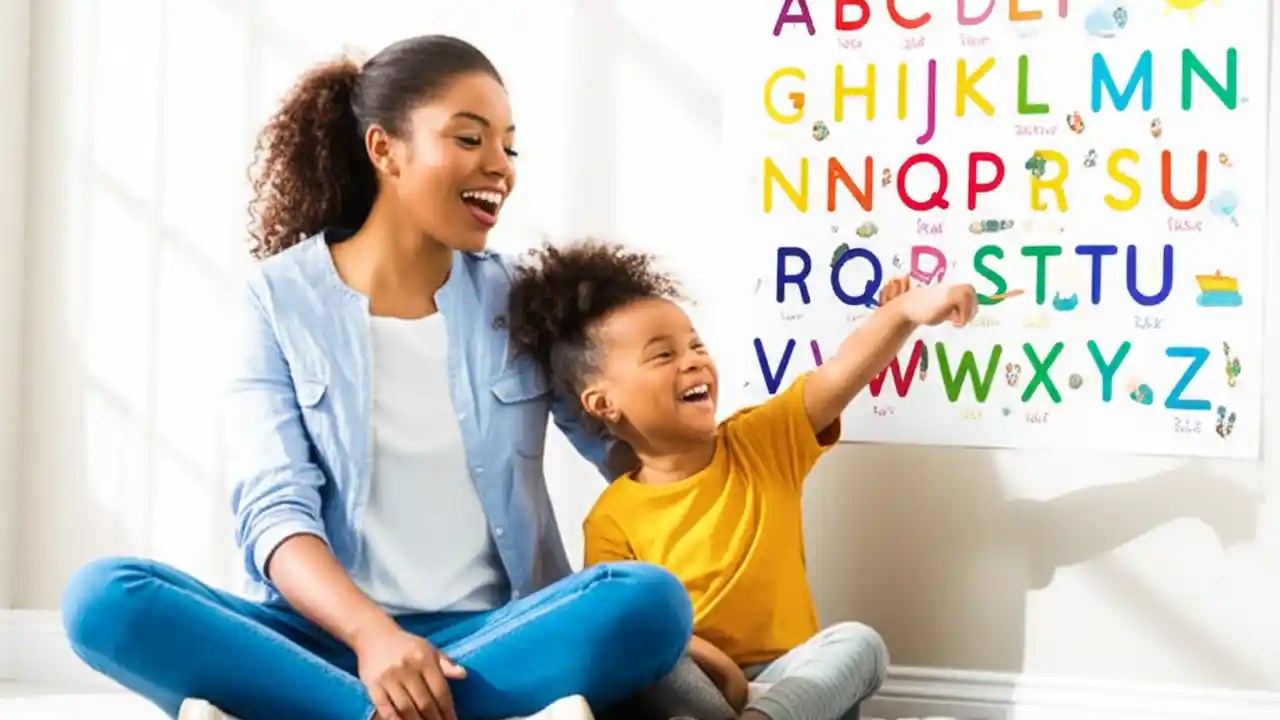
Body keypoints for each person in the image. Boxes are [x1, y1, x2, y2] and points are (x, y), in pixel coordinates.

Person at [59, 35, 693, 720]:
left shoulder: (519, 299)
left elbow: (633, 456)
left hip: (493, 634)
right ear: (384, 149)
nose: (500, 168)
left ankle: (330, 711)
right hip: (319, 639)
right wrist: (373, 636)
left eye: (509, 146)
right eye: (470, 138)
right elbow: (274, 513)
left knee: (648, 602)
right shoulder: (277, 301)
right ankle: (388, 706)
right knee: (104, 596)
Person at [505, 240, 978, 720]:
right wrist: (723, 672)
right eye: (662, 355)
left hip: (792, 682)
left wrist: (903, 315)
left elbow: (841, 373)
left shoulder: (763, 441)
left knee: (860, 644)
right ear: (604, 404)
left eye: (695, 345)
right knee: (643, 657)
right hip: (700, 688)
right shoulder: (611, 519)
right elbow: (626, 629)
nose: (692, 360)